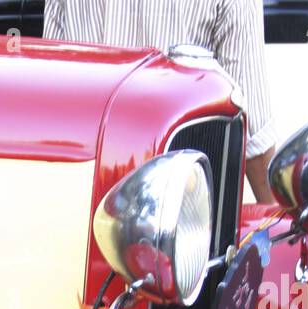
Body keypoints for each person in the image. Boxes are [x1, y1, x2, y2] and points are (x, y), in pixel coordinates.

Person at [44, 0, 277, 202]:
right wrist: (281, 231)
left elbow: (52, 85)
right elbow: (253, 132)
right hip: (176, 211)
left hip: (82, 192)